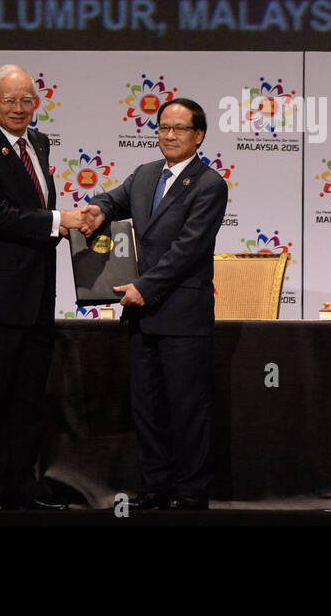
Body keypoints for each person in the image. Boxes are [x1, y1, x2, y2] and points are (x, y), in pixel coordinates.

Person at [81, 98, 227, 510]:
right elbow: (113, 200)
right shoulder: (145, 175)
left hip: (182, 314)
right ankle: (155, 486)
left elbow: (189, 248)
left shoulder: (209, 183)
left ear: (198, 135)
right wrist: (96, 210)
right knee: (147, 407)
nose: (169, 135)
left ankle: (191, 491)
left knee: (188, 407)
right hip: (142, 313)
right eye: (163, 127)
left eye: (180, 128)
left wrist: (146, 285)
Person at [0, 64, 85, 511]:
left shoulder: (39, 143)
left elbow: (33, 206)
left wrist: (65, 223)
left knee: (26, 405)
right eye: (9, 100)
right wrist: (57, 221)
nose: (18, 108)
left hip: (35, 299)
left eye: (26, 99)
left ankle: (22, 492)